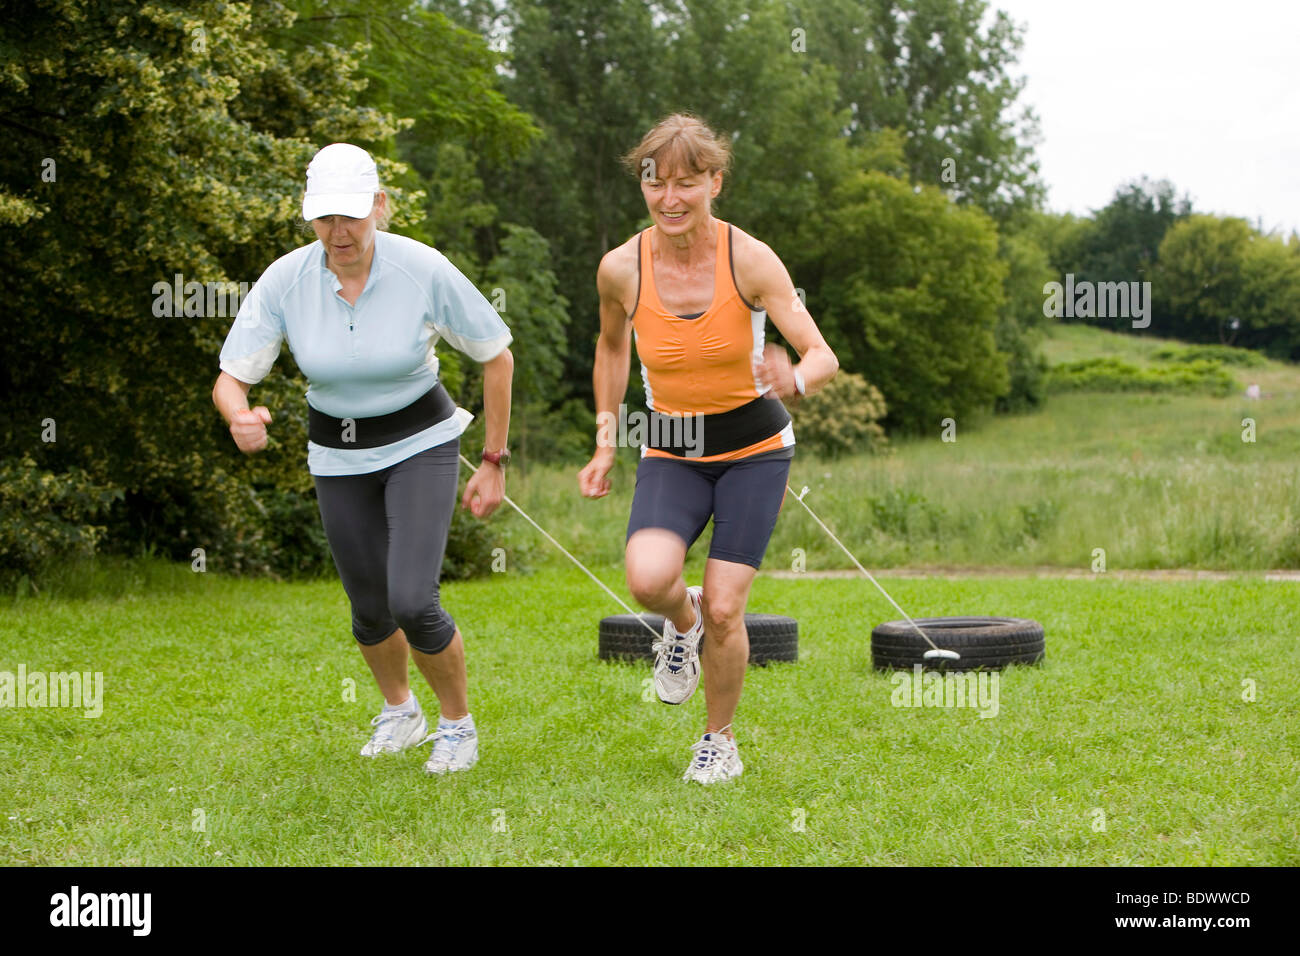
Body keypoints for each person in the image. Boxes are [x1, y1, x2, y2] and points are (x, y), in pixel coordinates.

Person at [212, 143, 513, 775]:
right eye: (324, 217)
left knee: (411, 598)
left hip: (421, 444)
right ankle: (400, 712)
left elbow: (495, 353)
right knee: (368, 605)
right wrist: (237, 413)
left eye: (351, 214)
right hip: (336, 452)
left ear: (379, 206)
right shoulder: (286, 278)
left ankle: (458, 726)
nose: (338, 231)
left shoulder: (421, 267)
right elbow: (231, 375)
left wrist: (493, 458)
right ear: (308, 217)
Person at [578, 114, 839, 784]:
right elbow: (610, 350)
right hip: (670, 444)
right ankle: (680, 624)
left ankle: (718, 741)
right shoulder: (620, 269)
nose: (670, 198)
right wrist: (606, 442)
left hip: (754, 445)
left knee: (729, 605)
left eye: (686, 183)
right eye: (655, 182)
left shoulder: (748, 258)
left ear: (714, 182)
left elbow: (821, 354)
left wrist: (796, 379)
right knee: (648, 578)